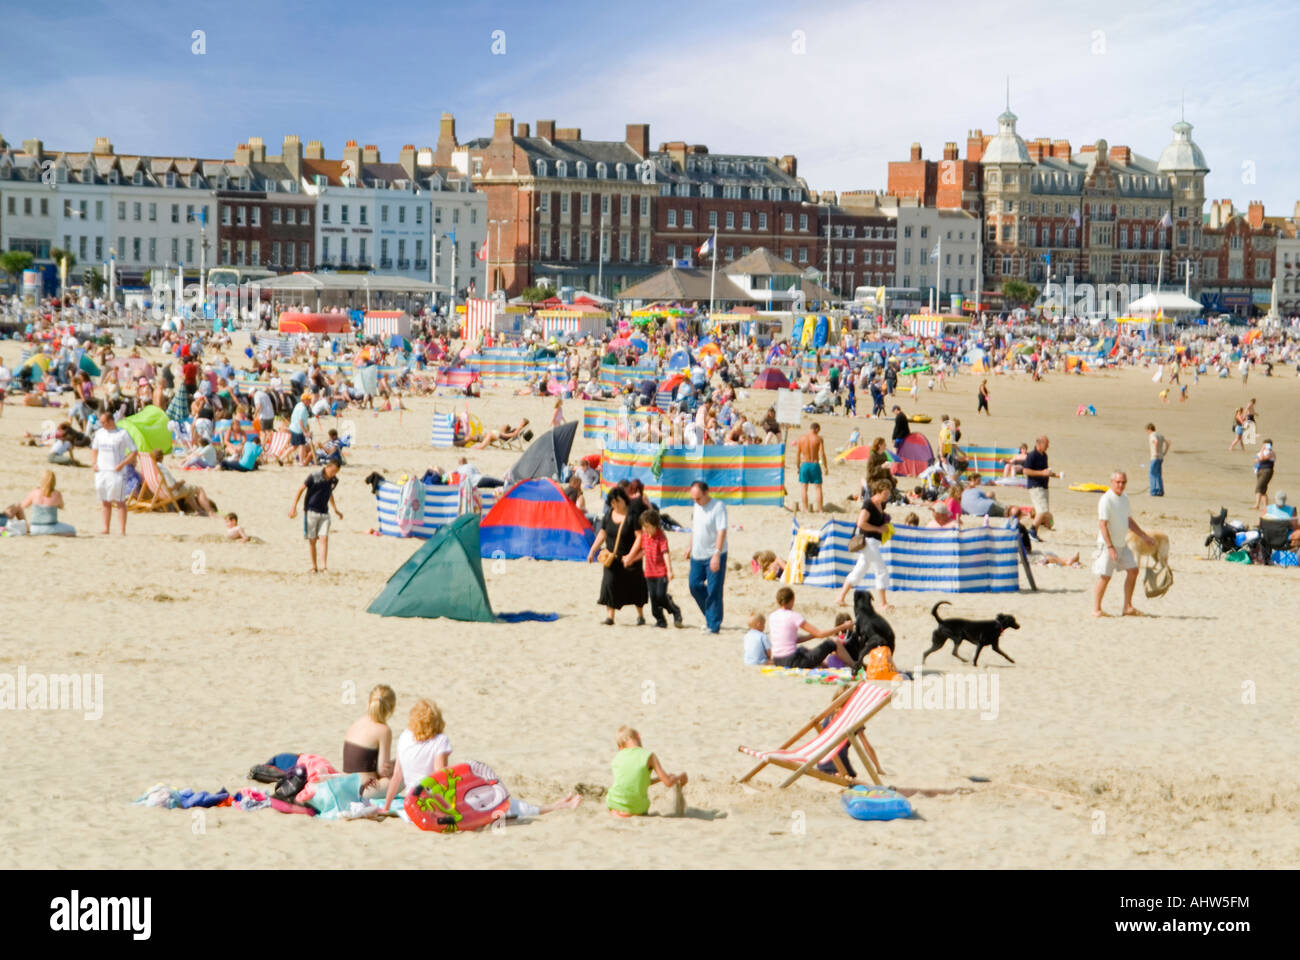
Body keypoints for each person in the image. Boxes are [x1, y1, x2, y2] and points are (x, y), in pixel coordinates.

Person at [1091, 471, 1156, 617]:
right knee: (1105, 576)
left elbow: (1128, 521)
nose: (1121, 485)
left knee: (1133, 571)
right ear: (1111, 482)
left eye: (1123, 482)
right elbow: (1103, 525)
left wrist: (1144, 536)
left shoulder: (1125, 498)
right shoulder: (1106, 499)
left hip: (1121, 543)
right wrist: (1110, 547)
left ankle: (1127, 606)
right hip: (1108, 544)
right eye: (1118, 482)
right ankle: (1096, 609)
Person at [586, 486, 647, 625]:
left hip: (630, 558)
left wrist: (631, 556)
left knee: (635, 586)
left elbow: (639, 537)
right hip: (611, 557)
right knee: (609, 584)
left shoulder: (633, 516)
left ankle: (640, 615)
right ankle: (610, 617)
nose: (615, 505)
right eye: (612, 502)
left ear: (624, 500)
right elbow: (603, 532)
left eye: (617, 501)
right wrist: (593, 550)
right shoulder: (609, 515)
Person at [835, 480, 893, 609]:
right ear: (878, 492)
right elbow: (861, 523)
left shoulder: (880, 504)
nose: (887, 496)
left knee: (859, 570)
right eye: (885, 493)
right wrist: (878, 529)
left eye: (888, 493)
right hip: (868, 541)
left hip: (873, 542)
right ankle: (883, 603)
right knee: (881, 570)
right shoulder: (869, 504)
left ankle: (840, 597)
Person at [606, 726, 687, 817]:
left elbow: (634, 782)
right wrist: (680, 776)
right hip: (635, 809)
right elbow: (668, 783)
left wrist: (659, 779)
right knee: (638, 806)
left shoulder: (617, 757)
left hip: (613, 805)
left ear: (620, 747)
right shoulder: (649, 756)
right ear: (638, 736)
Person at [623, 508, 683, 628]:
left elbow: (665, 553)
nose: (644, 529)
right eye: (643, 526)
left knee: (661, 596)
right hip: (649, 573)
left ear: (655, 525)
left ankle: (675, 610)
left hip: (661, 572)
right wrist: (633, 559)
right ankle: (660, 620)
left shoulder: (661, 536)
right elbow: (644, 551)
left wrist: (669, 570)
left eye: (647, 526)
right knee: (654, 598)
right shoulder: (645, 536)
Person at [768, 586, 855, 668]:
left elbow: (793, 640)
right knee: (833, 642)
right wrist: (843, 626)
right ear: (792, 600)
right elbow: (820, 634)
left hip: (777, 660)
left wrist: (813, 635)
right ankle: (855, 666)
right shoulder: (793, 616)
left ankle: (825, 665)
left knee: (803, 649)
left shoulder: (772, 616)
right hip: (793, 661)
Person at [685, 480, 727, 634]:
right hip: (697, 553)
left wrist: (717, 553)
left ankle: (713, 625)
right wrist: (690, 546)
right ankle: (712, 615)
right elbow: (695, 528)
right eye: (693, 499)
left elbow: (722, 531)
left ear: (706, 493)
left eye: (698, 498)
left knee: (714, 589)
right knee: (694, 585)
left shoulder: (718, 507)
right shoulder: (696, 506)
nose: (696, 501)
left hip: (714, 554)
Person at [343, 684, 397, 798]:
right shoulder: (384, 730)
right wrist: (395, 764)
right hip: (365, 789)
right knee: (404, 769)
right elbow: (382, 771)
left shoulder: (357, 722)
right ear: (391, 709)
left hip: (346, 785)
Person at [289, 460, 342, 573]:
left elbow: (329, 493)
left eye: (336, 472)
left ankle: (324, 567)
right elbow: (301, 489)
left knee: (324, 539)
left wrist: (335, 509)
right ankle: (314, 567)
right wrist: (294, 506)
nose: (334, 474)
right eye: (333, 471)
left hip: (324, 513)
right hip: (311, 511)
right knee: (312, 540)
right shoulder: (314, 476)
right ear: (327, 467)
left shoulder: (334, 480)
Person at [90, 410, 137, 535]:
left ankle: (122, 530)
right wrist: (94, 463)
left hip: (117, 471)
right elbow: (94, 449)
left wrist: (122, 464)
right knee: (105, 501)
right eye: (101, 422)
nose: (102, 424)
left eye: (104, 422)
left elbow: (133, 451)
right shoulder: (99, 433)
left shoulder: (122, 434)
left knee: (120, 500)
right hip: (102, 471)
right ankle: (106, 528)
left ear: (111, 421)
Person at [1020, 435, 1059, 540]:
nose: (1048, 446)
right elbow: (1025, 471)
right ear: (1039, 444)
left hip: (1044, 486)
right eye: (1046, 444)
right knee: (1042, 509)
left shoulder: (1044, 456)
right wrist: (1042, 473)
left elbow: (1045, 470)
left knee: (1045, 512)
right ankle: (1032, 530)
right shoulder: (1032, 455)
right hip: (1035, 486)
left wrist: (1053, 474)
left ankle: (1043, 528)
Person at [795, 422, 829, 512]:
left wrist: (798, 467)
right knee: (818, 488)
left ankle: (805, 509)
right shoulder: (818, 439)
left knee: (804, 487)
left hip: (805, 464)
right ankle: (820, 509)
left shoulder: (801, 438)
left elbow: (798, 455)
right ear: (817, 429)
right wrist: (825, 467)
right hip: (814, 464)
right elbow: (822, 453)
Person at [289, 391, 313, 465]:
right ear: (304, 400)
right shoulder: (302, 408)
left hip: (293, 427)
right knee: (302, 445)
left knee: (294, 446)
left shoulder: (298, 405)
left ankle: (281, 457)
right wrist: (305, 432)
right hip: (298, 429)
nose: (310, 401)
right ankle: (301, 462)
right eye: (309, 400)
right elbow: (300, 421)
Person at [1146, 423, 1170, 497]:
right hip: (1160, 457)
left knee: (1152, 474)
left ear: (1149, 430)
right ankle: (1160, 491)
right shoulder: (1160, 435)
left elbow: (1155, 442)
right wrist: (1164, 452)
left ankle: (1153, 491)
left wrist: (1156, 452)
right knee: (1158, 475)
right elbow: (1168, 443)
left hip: (1155, 457)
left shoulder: (1152, 435)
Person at [1253, 440, 1276, 512]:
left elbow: (1263, 458)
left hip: (1266, 471)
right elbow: (1257, 460)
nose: (1263, 446)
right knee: (1263, 489)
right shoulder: (1264, 452)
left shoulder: (1271, 453)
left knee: (1259, 487)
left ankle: (1257, 505)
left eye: (1265, 445)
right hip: (1260, 470)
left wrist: (1262, 450)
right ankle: (1265, 506)